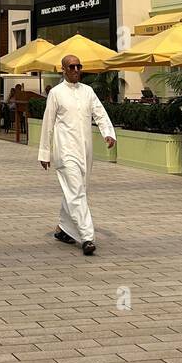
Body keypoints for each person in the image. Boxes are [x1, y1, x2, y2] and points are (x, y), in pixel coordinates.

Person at [38, 55, 116, 257]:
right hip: (64, 151)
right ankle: (87, 237)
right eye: (71, 66)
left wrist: (108, 133)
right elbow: (47, 124)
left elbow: (100, 113)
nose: (76, 69)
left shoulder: (88, 91)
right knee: (76, 192)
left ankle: (63, 229)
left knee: (76, 191)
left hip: (85, 150)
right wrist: (44, 152)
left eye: (78, 66)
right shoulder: (56, 93)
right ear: (63, 70)